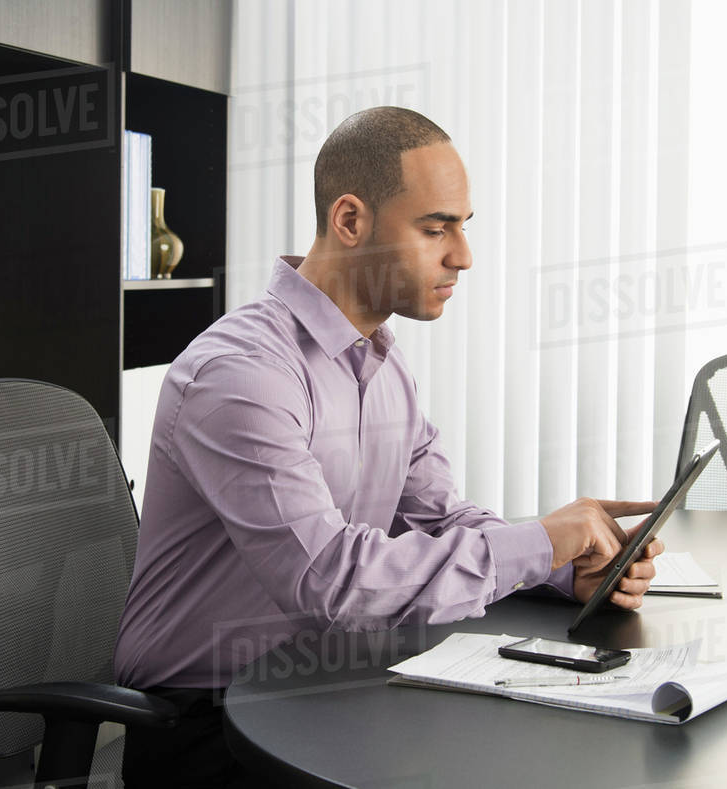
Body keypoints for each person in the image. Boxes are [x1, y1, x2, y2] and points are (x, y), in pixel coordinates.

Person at [114, 106, 663, 787]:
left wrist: (564, 567)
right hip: (209, 724)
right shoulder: (242, 373)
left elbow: (437, 517)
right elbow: (332, 580)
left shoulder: (380, 362)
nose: (462, 255)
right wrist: (542, 541)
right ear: (351, 221)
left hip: (331, 686)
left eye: (463, 226)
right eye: (436, 228)